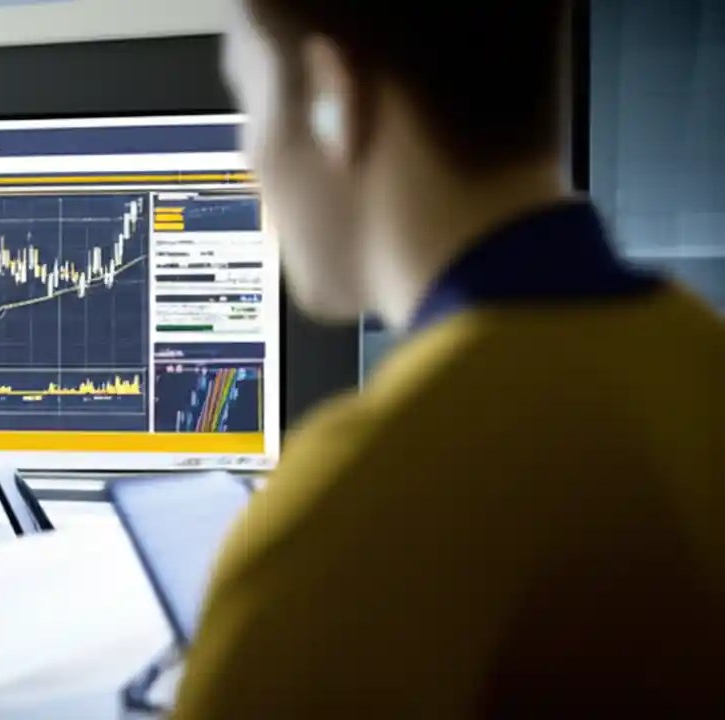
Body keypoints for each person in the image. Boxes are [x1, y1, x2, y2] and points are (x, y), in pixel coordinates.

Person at [174, 1, 725, 717]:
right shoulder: (697, 361)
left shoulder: (358, 496)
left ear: (334, 99)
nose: (251, 163)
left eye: (249, 105)